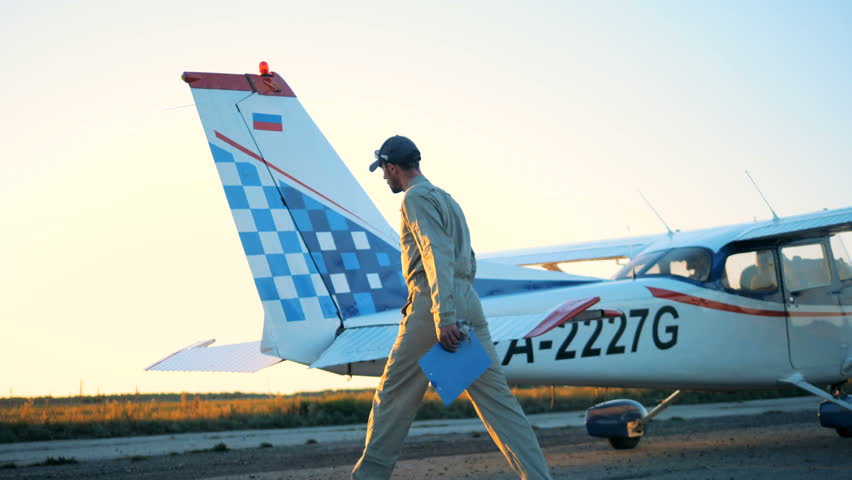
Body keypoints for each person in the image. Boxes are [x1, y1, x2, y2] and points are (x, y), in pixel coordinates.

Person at [352, 135, 553, 480]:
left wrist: (442, 316)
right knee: (497, 404)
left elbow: (435, 252)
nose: (384, 177)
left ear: (392, 167)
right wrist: (458, 306)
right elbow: (465, 257)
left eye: (384, 171)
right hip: (467, 298)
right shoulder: (446, 198)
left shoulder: (414, 199)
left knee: (393, 397)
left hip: (433, 304)